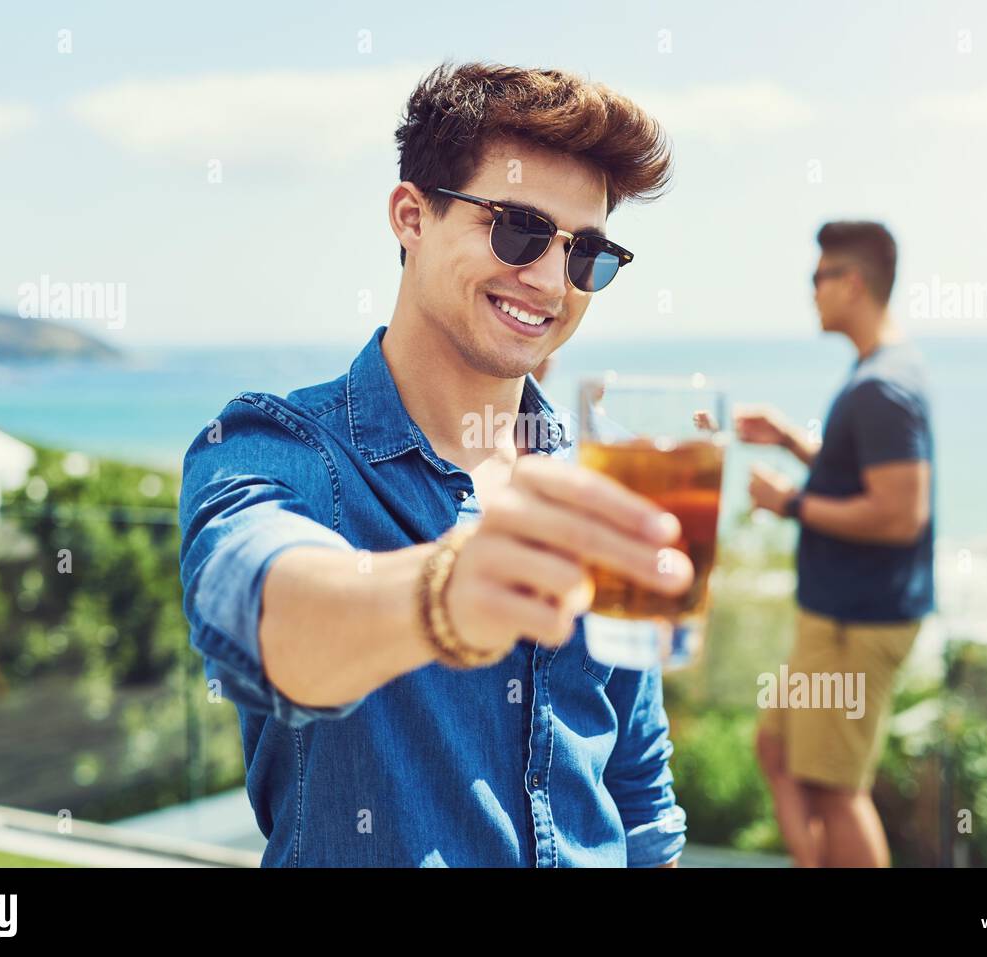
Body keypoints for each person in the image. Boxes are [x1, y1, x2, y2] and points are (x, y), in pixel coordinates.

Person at [178, 62, 692, 867]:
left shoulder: (606, 474)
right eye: (517, 227)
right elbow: (258, 618)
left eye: (588, 252)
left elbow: (637, 790)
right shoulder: (277, 448)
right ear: (412, 217)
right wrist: (444, 596)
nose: (553, 279)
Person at [742, 221, 934, 867]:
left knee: (835, 787)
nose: (812, 293)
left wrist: (788, 502)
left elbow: (900, 514)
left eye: (817, 278)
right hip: (835, 615)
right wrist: (794, 441)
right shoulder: (881, 372)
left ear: (850, 283)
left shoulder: (882, 386)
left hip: (857, 619)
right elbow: (869, 477)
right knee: (776, 750)